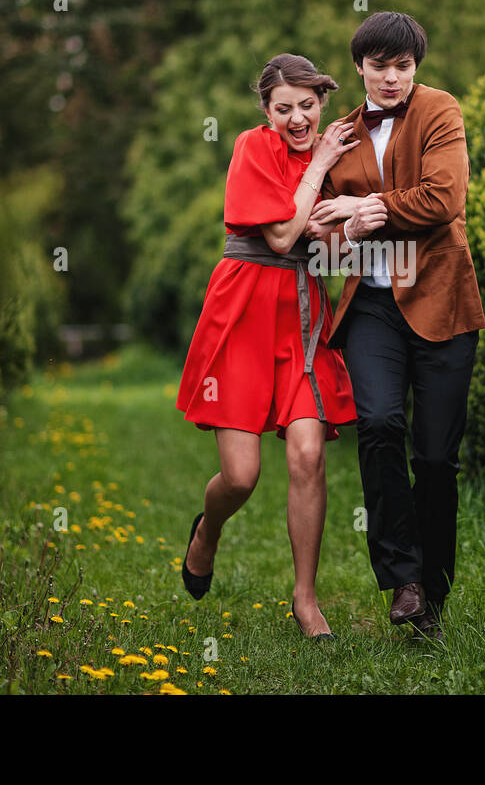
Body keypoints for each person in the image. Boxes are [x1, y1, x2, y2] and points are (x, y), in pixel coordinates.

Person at [306, 12, 485, 641]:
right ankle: (402, 579)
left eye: (402, 66)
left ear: (416, 68)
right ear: (359, 67)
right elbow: (319, 238)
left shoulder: (440, 111)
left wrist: (365, 208)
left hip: (442, 300)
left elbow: (444, 200)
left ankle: (432, 597)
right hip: (372, 307)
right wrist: (341, 227)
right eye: (379, 65)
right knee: (378, 424)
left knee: (436, 459)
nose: (391, 77)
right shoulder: (341, 135)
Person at [175, 53, 360, 641]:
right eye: (285, 108)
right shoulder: (253, 149)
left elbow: (332, 246)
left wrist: (341, 229)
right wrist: (319, 173)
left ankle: (306, 601)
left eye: (308, 106)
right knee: (242, 475)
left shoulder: (336, 159)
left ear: (322, 103)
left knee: (307, 454)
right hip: (243, 316)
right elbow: (281, 236)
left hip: (301, 322)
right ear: (266, 110)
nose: (299, 119)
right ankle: (208, 531)